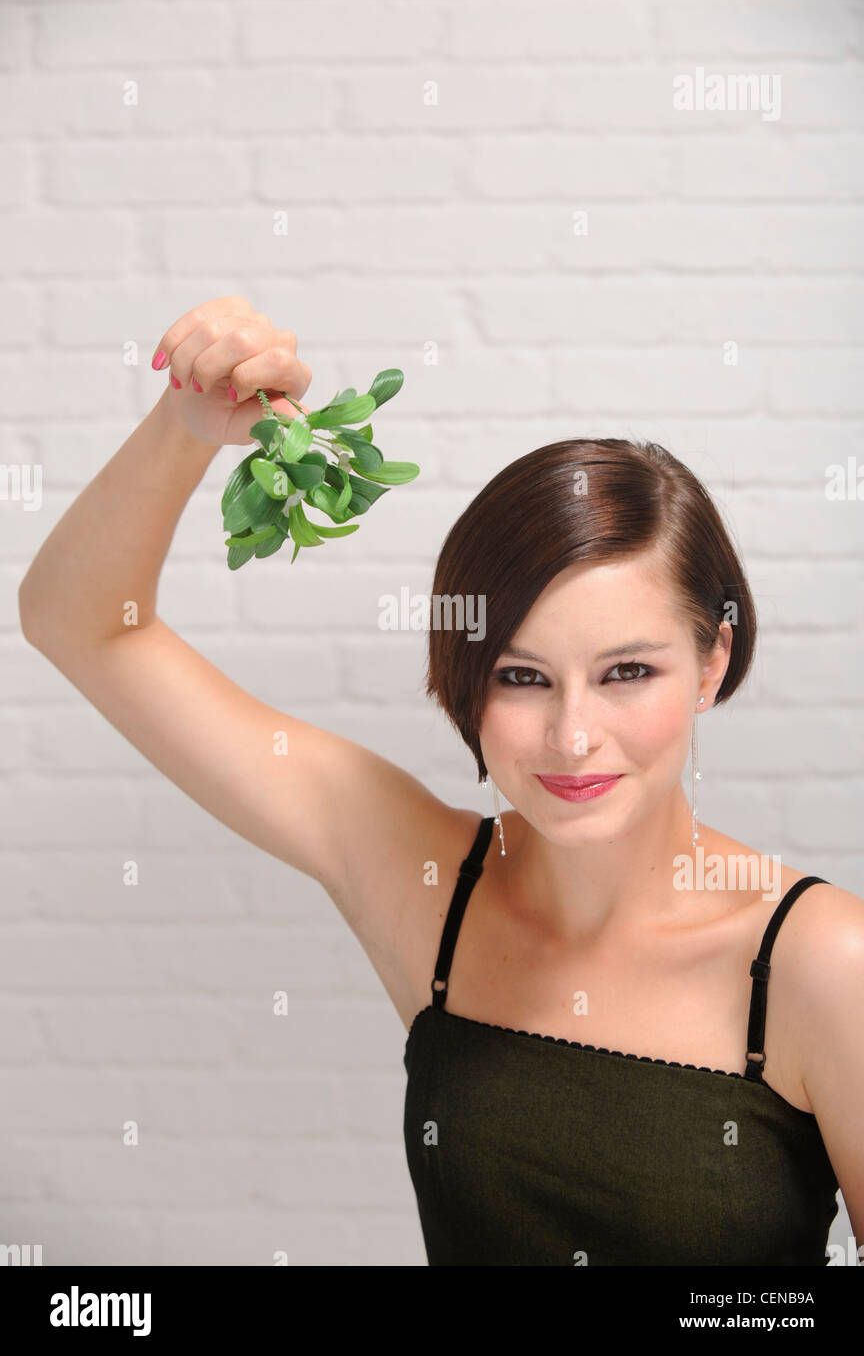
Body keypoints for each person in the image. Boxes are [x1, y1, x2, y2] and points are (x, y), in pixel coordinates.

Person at [18, 296, 864, 1266]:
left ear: (714, 660)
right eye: (520, 675)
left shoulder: (822, 960)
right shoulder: (424, 881)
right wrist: (187, 424)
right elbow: (79, 621)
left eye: (627, 671)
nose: (573, 734)